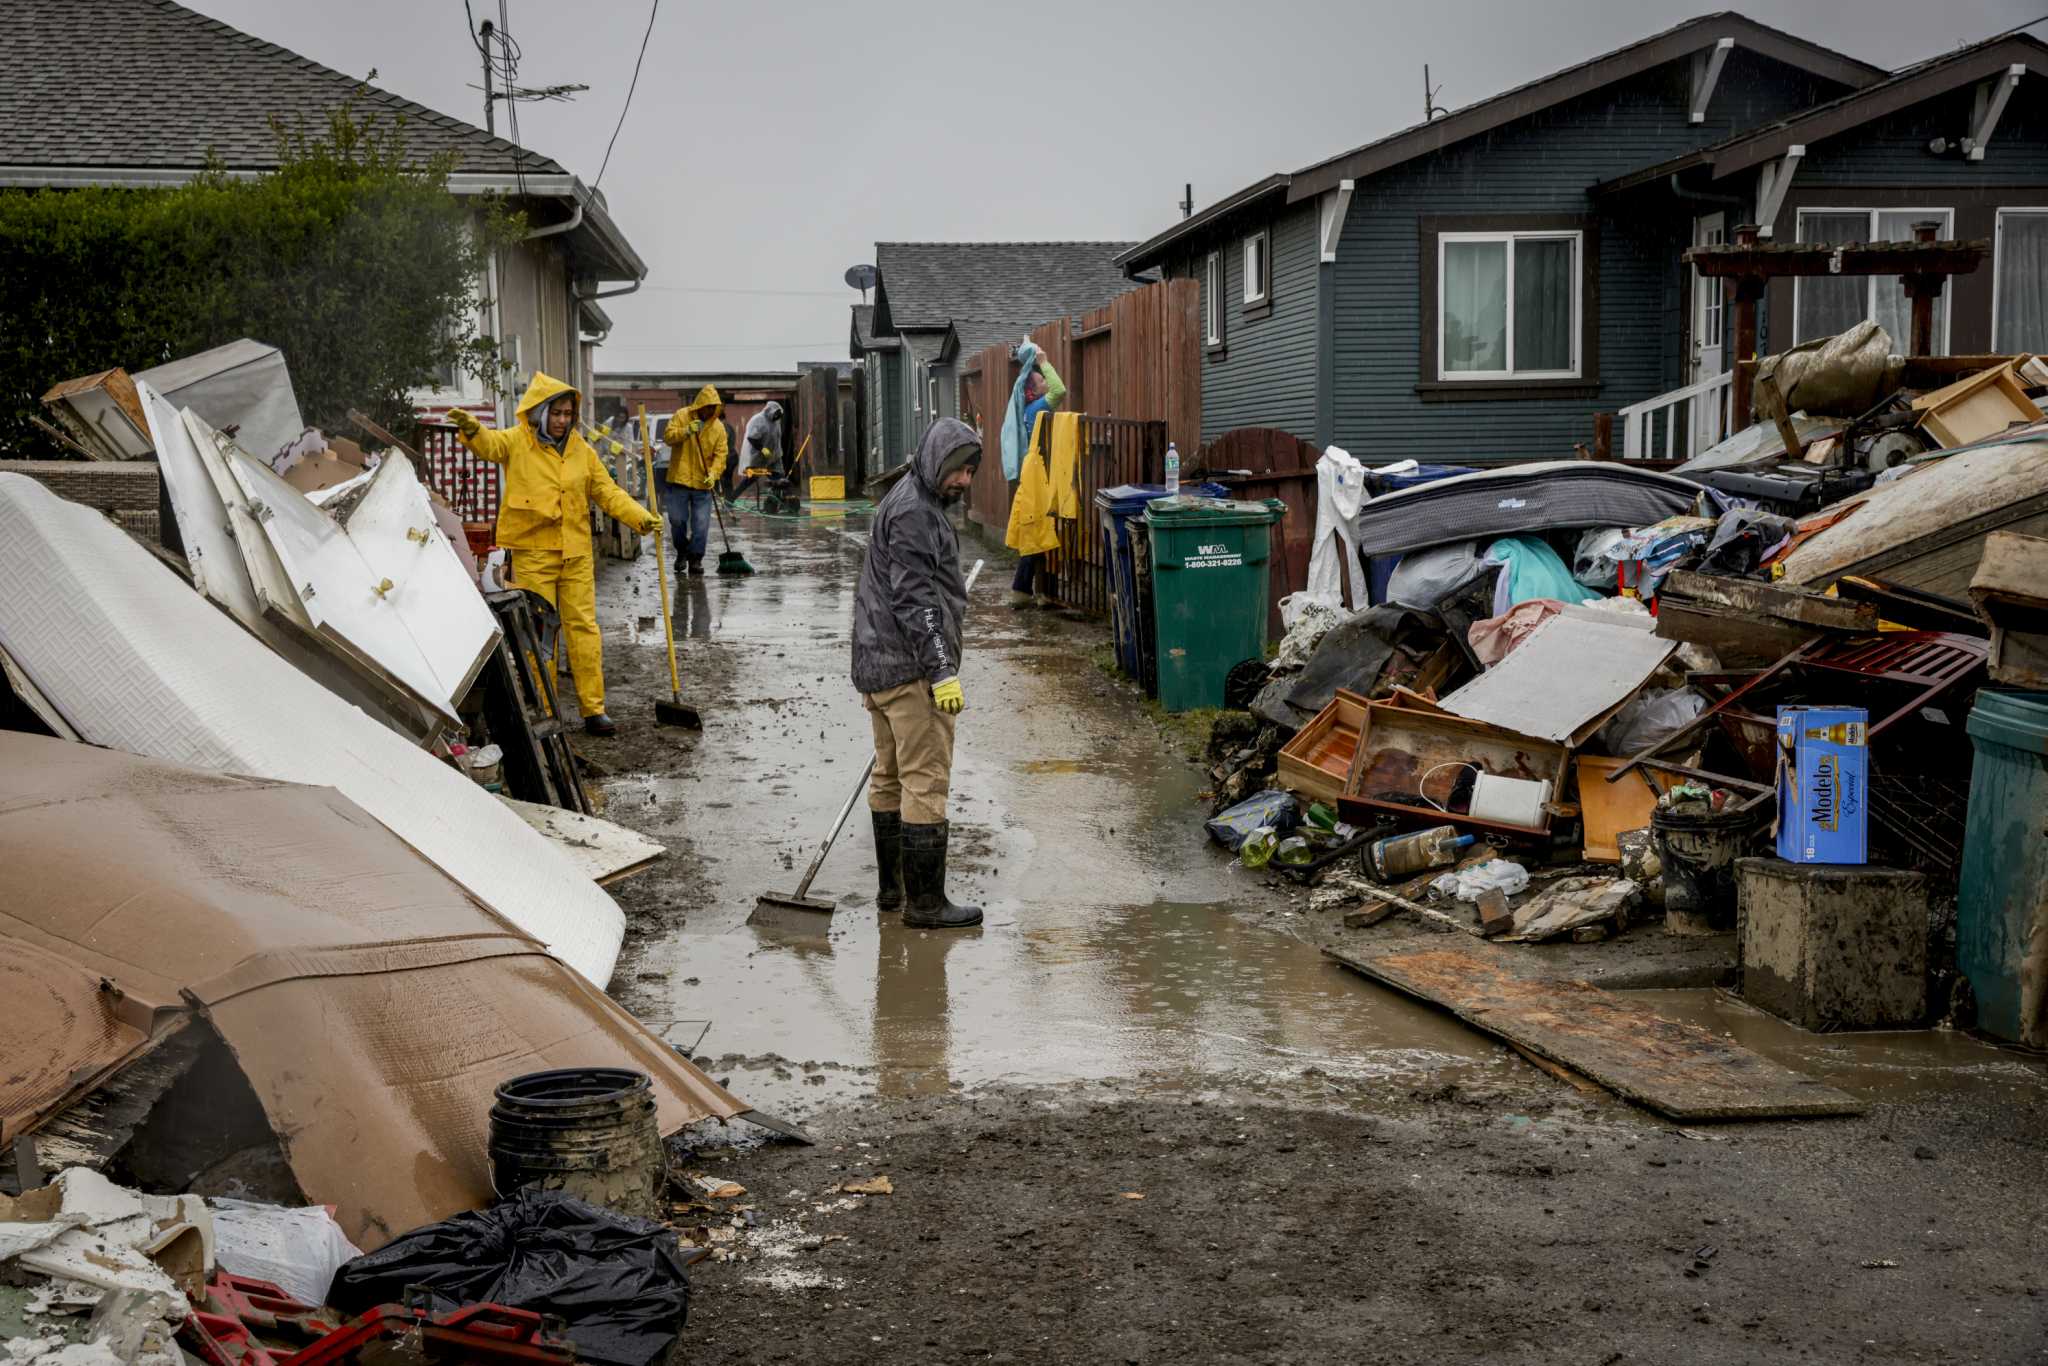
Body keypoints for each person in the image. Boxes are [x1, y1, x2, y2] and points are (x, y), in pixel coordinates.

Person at [451, 373, 661, 737]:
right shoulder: (518, 442)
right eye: (557, 412)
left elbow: (608, 493)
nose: (563, 420)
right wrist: (472, 431)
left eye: (568, 413)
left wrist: (640, 518)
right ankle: (545, 708)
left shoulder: (582, 450)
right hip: (533, 554)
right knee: (540, 633)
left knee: (584, 630)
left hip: (576, 553)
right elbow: (490, 446)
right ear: (541, 411)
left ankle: (593, 709)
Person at [851, 417, 984, 930]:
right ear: (936, 463)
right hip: (909, 672)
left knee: (888, 776)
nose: (964, 482)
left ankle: (894, 890)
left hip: (879, 665)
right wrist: (941, 670)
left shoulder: (906, 496)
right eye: (958, 471)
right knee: (924, 781)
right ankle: (926, 905)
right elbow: (916, 601)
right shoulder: (915, 513)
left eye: (971, 472)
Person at [1008, 355, 1065, 608]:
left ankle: (1031, 590)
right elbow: (1060, 389)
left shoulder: (1027, 411)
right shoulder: (1038, 408)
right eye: (1041, 380)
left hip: (1032, 474)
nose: (1045, 382)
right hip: (1039, 476)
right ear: (1032, 389)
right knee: (1039, 531)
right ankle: (1029, 591)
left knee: (1037, 531)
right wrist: (1044, 361)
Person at [662, 385, 728, 576]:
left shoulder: (718, 428)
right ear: (700, 405)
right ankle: (682, 551)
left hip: (702, 484)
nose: (709, 411)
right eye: (707, 407)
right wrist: (685, 431)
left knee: (701, 524)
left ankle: (696, 558)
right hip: (678, 481)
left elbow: (721, 455)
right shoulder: (682, 416)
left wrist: (714, 474)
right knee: (677, 520)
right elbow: (668, 437)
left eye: (713, 408)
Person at [741, 401, 785, 477]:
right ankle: (737, 489)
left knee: (778, 475)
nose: (777, 417)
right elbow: (751, 438)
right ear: (770, 411)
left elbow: (776, 437)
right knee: (752, 477)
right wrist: (762, 449)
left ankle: (774, 488)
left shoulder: (776, 421)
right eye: (776, 414)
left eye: (779, 415)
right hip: (759, 455)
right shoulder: (759, 420)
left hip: (775, 455)